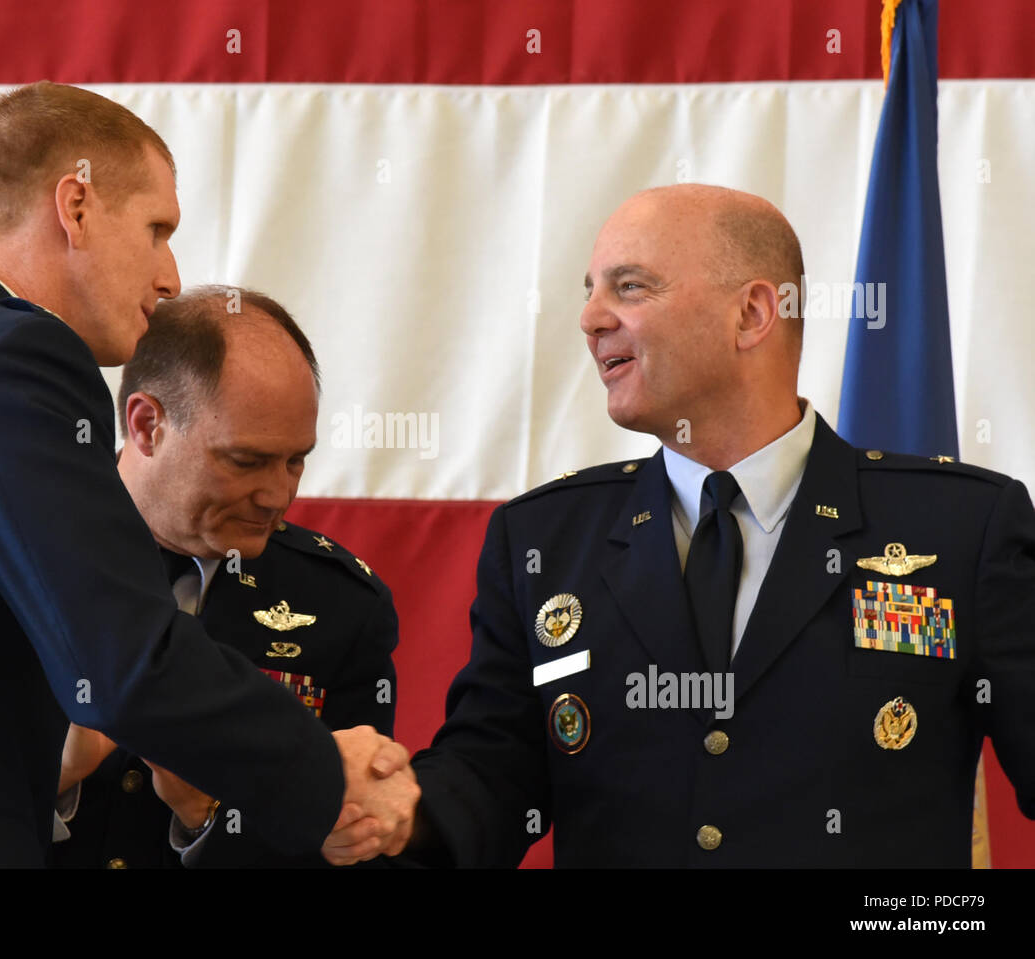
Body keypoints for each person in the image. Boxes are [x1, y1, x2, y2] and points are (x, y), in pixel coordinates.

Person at [0, 81, 416, 867]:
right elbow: (122, 663)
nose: (170, 277)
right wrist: (323, 773)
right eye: (158, 228)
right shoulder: (13, 361)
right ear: (77, 205)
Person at [400, 183, 1035, 867]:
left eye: (630, 286)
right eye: (590, 291)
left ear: (753, 312)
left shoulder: (961, 530)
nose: (589, 317)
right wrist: (391, 813)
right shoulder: (543, 542)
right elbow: (489, 775)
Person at [50, 287, 399, 868]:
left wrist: (209, 819)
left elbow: (351, 853)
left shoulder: (339, 605)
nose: (278, 495)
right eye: (246, 460)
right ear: (146, 425)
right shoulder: (14, 553)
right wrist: (51, 778)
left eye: (296, 460)